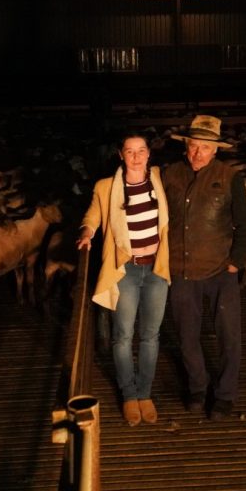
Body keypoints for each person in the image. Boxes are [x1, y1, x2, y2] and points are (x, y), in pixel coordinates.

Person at [163, 115, 246, 421]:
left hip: (219, 269)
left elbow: (244, 224)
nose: (197, 152)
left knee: (229, 334)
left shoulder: (230, 178)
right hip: (180, 269)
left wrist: (235, 262)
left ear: (216, 150)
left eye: (205, 147)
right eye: (193, 145)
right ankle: (198, 388)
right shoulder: (169, 175)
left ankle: (225, 394)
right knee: (187, 335)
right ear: (185, 146)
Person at [77, 132, 171, 426]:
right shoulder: (106, 187)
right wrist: (87, 232)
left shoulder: (159, 179)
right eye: (129, 151)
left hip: (156, 267)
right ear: (121, 155)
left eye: (140, 150)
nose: (135, 156)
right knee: (123, 335)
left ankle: (145, 393)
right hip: (126, 268)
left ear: (148, 154)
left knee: (150, 335)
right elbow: (93, 215)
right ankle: (129, 394)